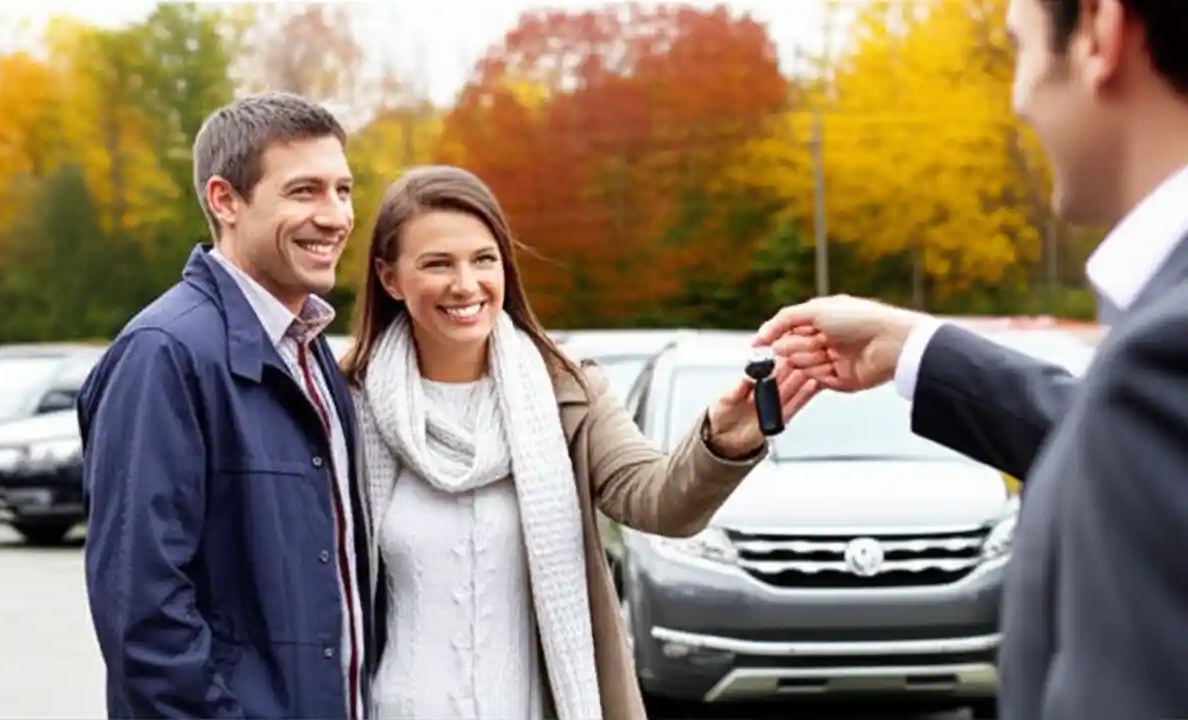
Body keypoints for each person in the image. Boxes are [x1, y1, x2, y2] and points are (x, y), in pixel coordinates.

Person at [754, 1, 1188, 718]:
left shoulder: (1163, 357)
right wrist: (916, 350)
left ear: (1100, 37)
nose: (1017, 98)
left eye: (1019, 51)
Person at [339, 165, 819, 720]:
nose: (465, 284)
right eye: (437, 263)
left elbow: (659, 501)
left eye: (483, 259)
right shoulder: (348, 406)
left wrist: (721, 443)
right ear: (390, 277)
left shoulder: (568, 393)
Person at [76, 93, 372, 719]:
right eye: (304, 192)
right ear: (225, 199)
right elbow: (144, 614)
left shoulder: (309, 350)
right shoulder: (164, 354)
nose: (336, 216)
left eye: (343, 190)